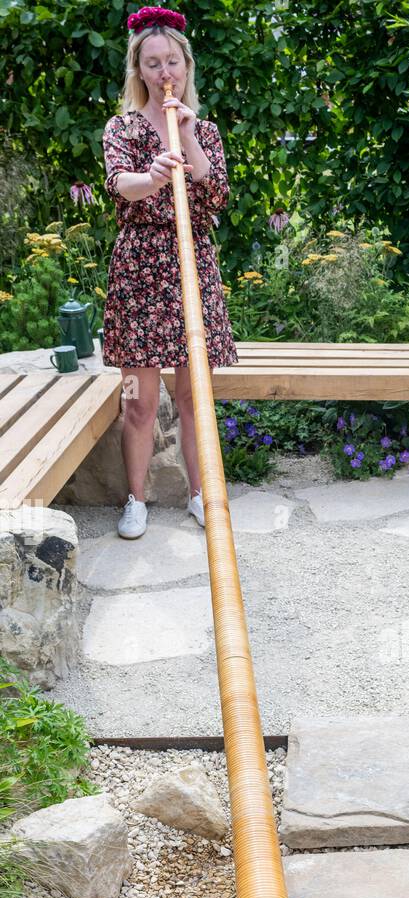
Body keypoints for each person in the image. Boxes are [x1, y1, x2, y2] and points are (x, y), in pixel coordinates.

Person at [101, 5, 238, 539]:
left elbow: (215, 196)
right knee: (139, 402)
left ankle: (201, 494)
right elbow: (120, 186)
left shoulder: (202, 128)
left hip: (191, 266)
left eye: (172, 63)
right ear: (139, 71)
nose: (164, 74)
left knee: (192, 398)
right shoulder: (124, 127)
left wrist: (189, 139)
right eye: (152, 64)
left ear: (186, 68)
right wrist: (152, 175)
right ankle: (135, 499)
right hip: (141, 271)